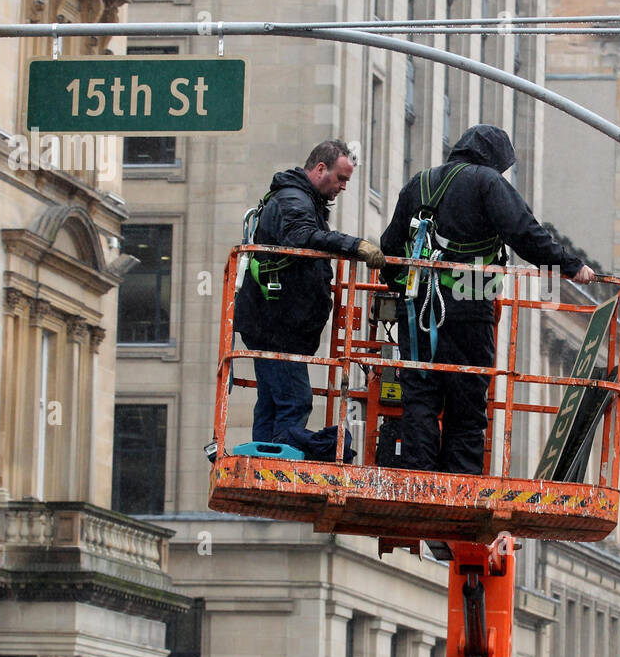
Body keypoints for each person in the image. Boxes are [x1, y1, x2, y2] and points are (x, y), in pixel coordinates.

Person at [380, 124, 595, 474]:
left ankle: (416, 477)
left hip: (417, 306)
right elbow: (524, 232)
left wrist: (398, 286)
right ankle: (460, 483)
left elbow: (390, 246)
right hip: (469, 303)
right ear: (495, 160)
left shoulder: (418, 183)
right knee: (466, 401)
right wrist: (571, 267)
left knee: (420, 396)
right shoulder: (487, 182)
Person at [234, 139, 385, 444]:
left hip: (274, 322)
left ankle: (265, 454)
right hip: (276, 324)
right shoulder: (294, 200)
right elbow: (301, 236)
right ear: (319, 169)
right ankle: (278, 466)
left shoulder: (299, 200)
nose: (343, 187)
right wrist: (355, 245)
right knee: (295, 399)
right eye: (341, 178)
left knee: (272, 402)